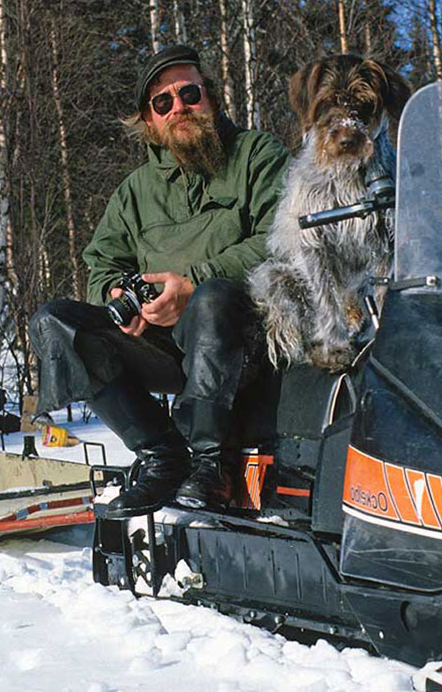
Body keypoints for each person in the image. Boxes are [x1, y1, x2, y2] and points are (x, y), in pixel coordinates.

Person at [28, 45, 289, 518]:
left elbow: (281, 242)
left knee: (211, 298)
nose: (179, 107)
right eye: (162, 102)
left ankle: (212, 466)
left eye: (188, 93)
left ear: (210, 97)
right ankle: (162, 457)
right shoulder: (135, 191)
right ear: (148, 122)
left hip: (246, 339)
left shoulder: (257, 154)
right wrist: (117, 297)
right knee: (56, 323)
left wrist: (192, 286)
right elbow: (102, 263)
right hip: (164, 347)